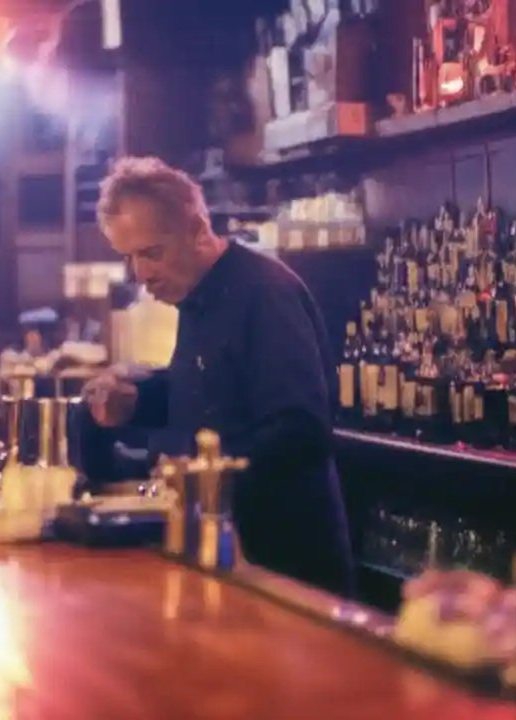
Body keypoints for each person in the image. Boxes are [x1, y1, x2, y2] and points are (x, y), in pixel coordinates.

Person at [81, 157, 355, 597]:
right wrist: (139, 398)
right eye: (129, 257)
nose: (141, 274)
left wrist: (193, 475)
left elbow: (301, 430)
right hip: (228, 555)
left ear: (197, 229)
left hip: (287, 569)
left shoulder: (266, 293)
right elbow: (215, 386)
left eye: (152, 253)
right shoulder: (196, 292)